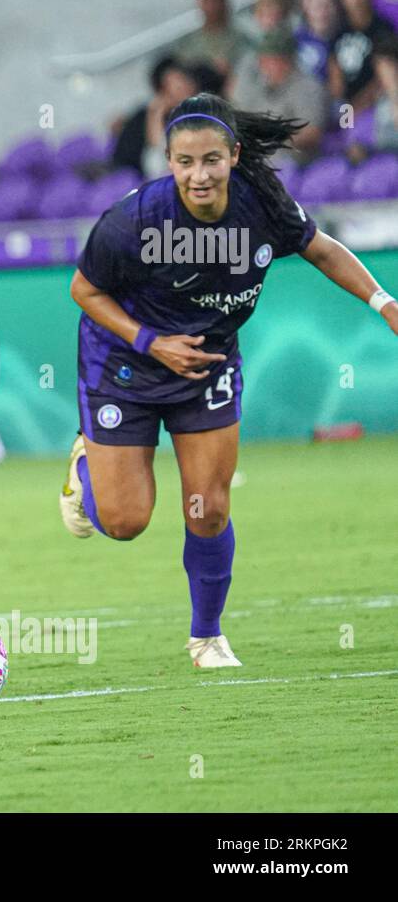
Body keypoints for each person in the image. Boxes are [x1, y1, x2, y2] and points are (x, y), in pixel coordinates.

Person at [59, 92, 398, 668]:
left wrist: (384, 303)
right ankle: (86, 462)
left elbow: (321, 250)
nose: (199, 175)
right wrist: (151, 342)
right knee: (123, 522)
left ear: (234, 156)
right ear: (168, 163)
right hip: (126, 363)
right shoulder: (133, 220)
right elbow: (83, 291)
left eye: (211, 160)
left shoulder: (263, 202)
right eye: (185, 162)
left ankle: (207, 637)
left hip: (207, 363)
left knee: (208, 507)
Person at [230, 29, 331, 163]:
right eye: (262, 60)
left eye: (269, 60)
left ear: (286, 60)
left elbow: (313, 134)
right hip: (259, 161)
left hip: (295, 163)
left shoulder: (307, 87)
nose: (263, 65)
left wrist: (275, 137)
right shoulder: (260, 85)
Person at [111, 56, 199, 178]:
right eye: (177, 85)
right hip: (134, 171)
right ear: (162, 90)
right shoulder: (153, 112)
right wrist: (156, 113)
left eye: (185, 80)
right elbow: (155, 158)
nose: (185, 87)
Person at [329, 0, 398, 112]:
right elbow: (335, 79)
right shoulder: (337, 29)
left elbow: (385, 76)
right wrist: (343, 108)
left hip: (377, 104)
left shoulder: (382, 28)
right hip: (346, 107)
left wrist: (357, 107)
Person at [171, 0, 251, 79]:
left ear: (224, 3)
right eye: (205, 1)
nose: (210, 7)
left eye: (214, 1)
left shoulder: (240, 39)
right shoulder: (187, 41)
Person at [295, 0, 342, 83]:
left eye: (327, 5)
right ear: (306, 8)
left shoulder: (342, 38)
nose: (323, 12)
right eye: (318, 6)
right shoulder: (295, 38)